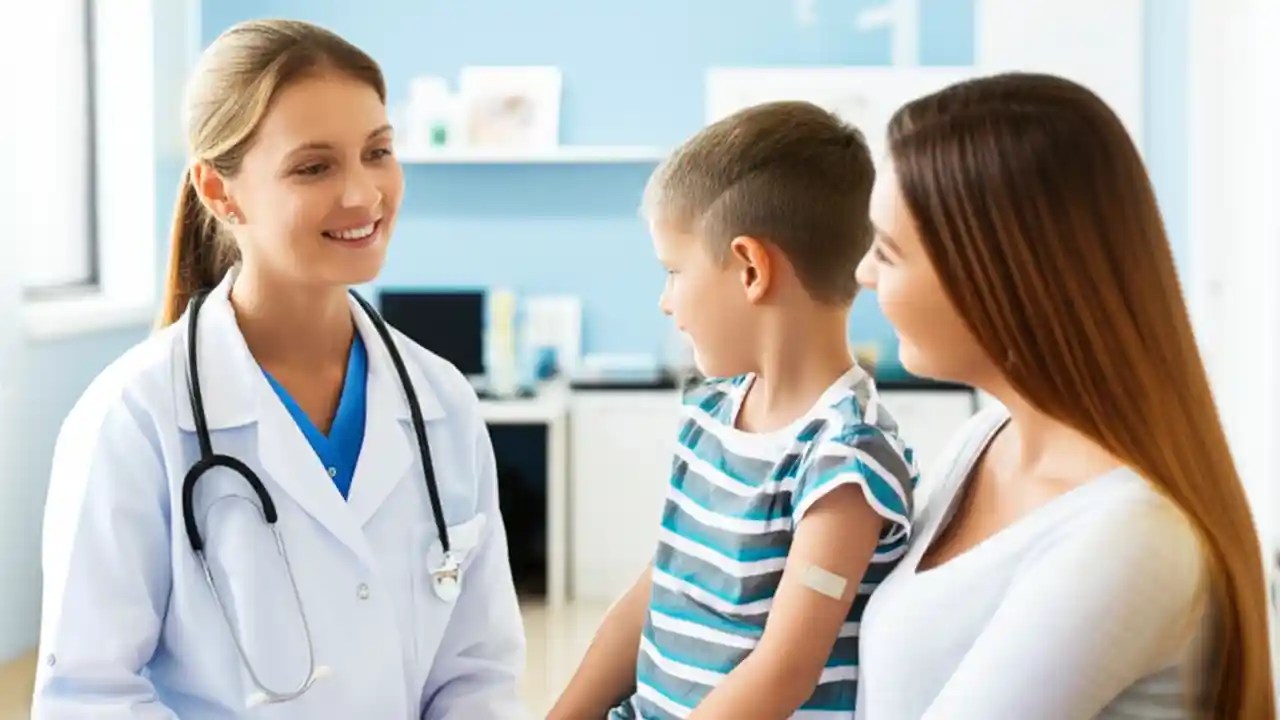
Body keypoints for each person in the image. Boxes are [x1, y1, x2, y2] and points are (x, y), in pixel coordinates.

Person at [31, 19, 527, 719]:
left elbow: (478, 673)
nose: (363, 195)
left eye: (377, 152)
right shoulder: (136, 414)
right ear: (219, 191)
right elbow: (89, 694)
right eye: (314, 166)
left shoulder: (438, 398)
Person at [854, 72, 1276, 719]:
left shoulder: (1130, 537)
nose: (863, 275)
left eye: (886, 252)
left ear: (992, 274)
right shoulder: (986, 441)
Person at [549, 101, 918, 719]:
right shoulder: (710, 412)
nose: (666, 301)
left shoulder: (846, 461)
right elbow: (655, 593)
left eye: (673, 271)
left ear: (749, 268)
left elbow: (783, 674)